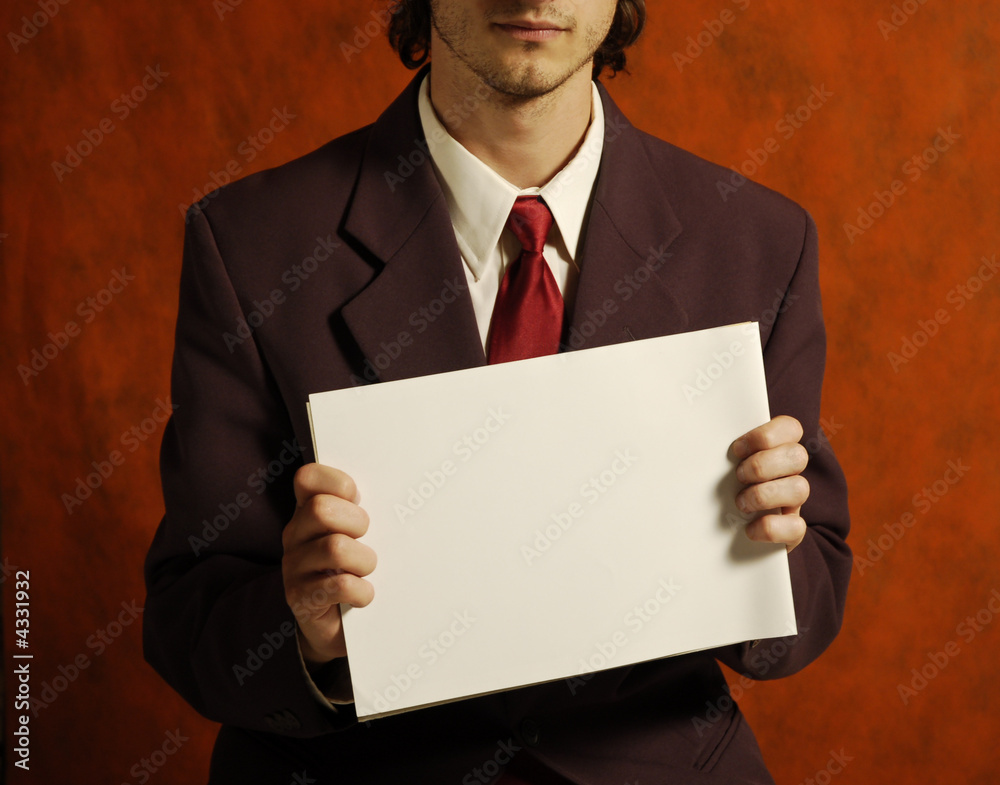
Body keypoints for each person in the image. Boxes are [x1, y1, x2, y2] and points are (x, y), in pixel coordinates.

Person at [143, 1, 852, 783]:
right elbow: (189, 621)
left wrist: (763, 555)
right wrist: (303, 628)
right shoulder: (248, 241)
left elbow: (811, 595)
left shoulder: (759, 241)